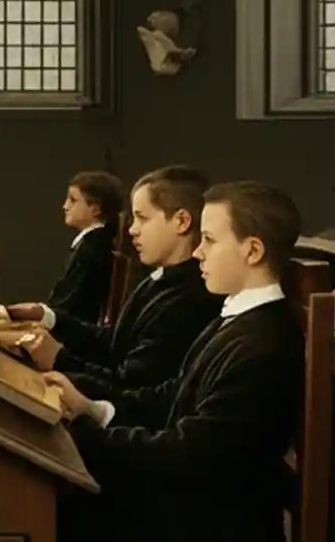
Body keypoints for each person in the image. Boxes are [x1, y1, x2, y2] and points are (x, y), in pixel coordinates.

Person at [45, 181, 305, 541]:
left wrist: (83, 434)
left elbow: (189, 453)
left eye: (210, 240)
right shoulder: (236, 319)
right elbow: (170, 396)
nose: (198, 252)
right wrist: (93, 409)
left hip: (209, 522)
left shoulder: (264, 346)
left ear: (253, 250)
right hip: (189, 501)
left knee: (52, 506)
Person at [0, 166, 222, 391]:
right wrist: (49, 318)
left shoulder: (190, 299)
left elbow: (133, 384)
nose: (133, 230)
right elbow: (114, 344)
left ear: (181, 221)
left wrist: (59, 359)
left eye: (142, 218)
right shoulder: (158, 281)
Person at [43, 171, 123, 324]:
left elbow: (72, 302)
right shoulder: (92, 244)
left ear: (96, 209)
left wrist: (41, 316)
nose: (65, 206)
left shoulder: (93, 249)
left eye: (73, 200)